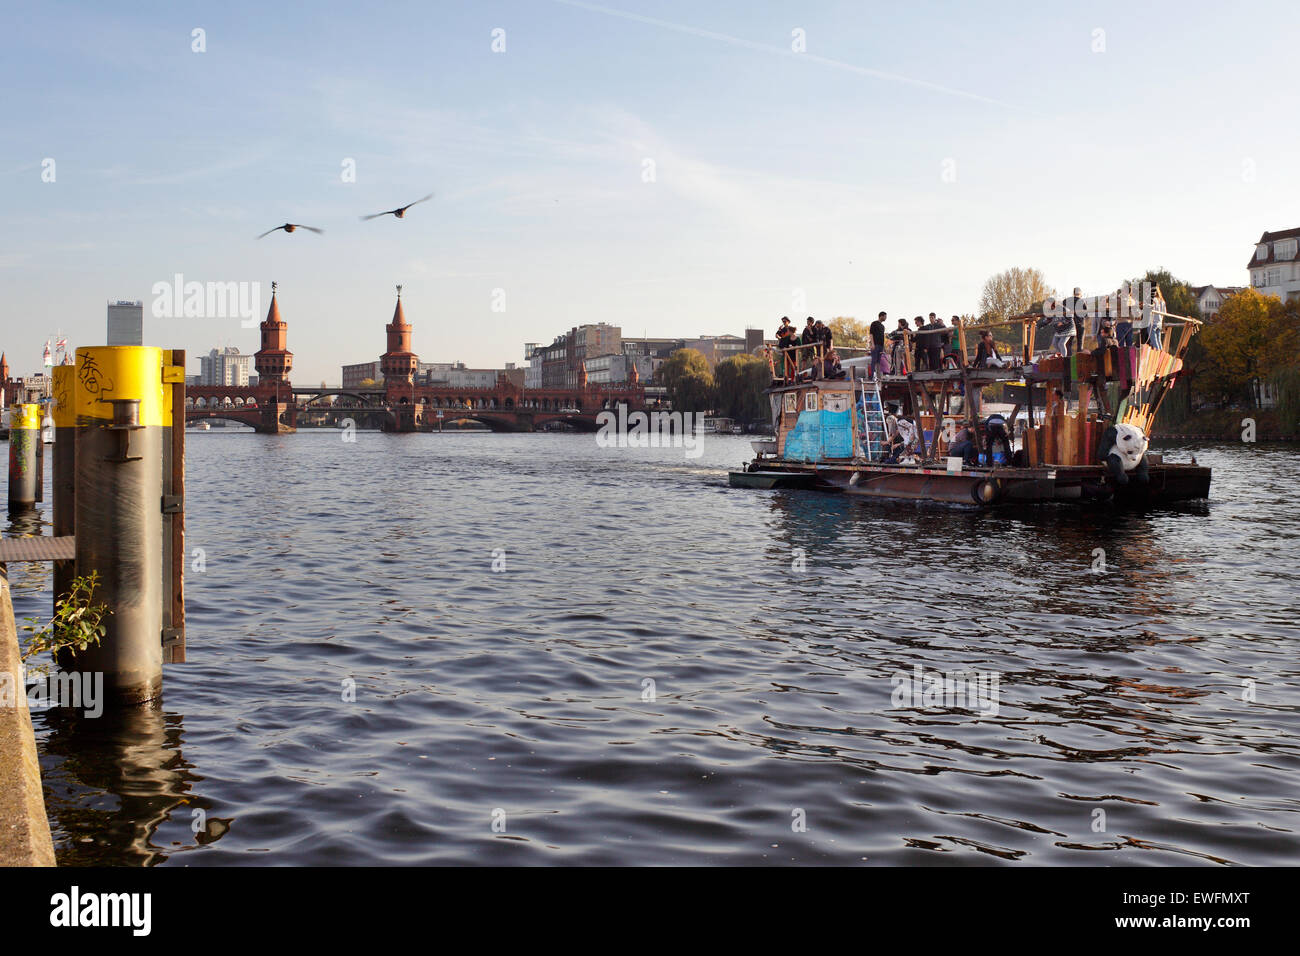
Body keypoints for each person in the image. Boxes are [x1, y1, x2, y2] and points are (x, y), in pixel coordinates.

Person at [869, 311, 887, 379]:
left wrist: (883, 347)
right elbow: (871, 334)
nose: (885, 318)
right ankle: (872, 376)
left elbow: (882, 336)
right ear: (881, 316)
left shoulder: (882, 326)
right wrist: (872, 344)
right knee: (874, 360)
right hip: (875, 345)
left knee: (879, 361)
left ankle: (878, 376)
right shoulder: (874, 323)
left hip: (881, 346)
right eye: (885, 316)